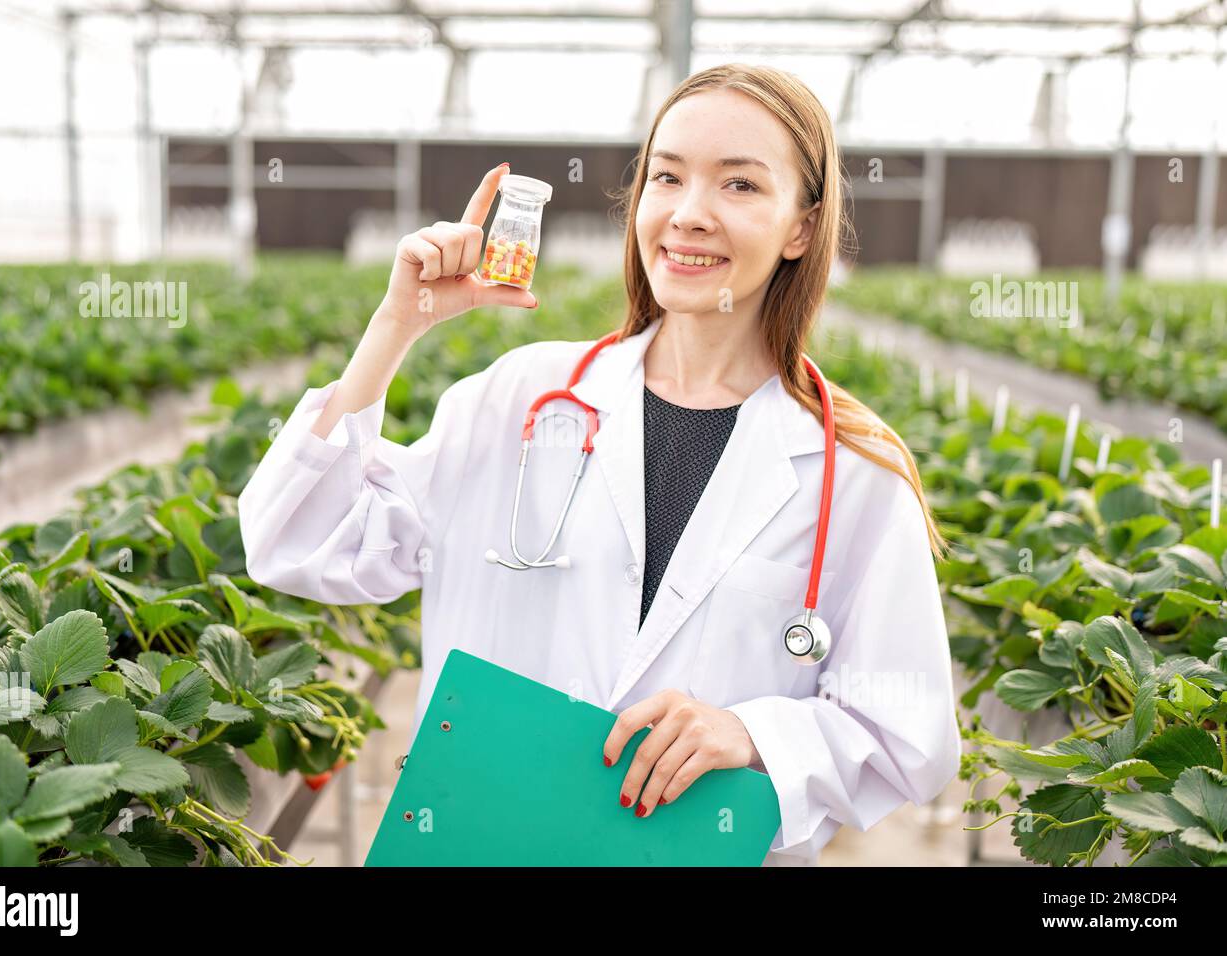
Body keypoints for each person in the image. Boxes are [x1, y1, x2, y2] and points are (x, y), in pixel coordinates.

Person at [238, 63, 961, 867]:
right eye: (667, 177)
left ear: (801, 226)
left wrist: (755, 733)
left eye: (741, 187)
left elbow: (907, 730)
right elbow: (298, 540)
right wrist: (394, 328)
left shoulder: (854, 473)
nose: (689, 215)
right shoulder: (521, 399)